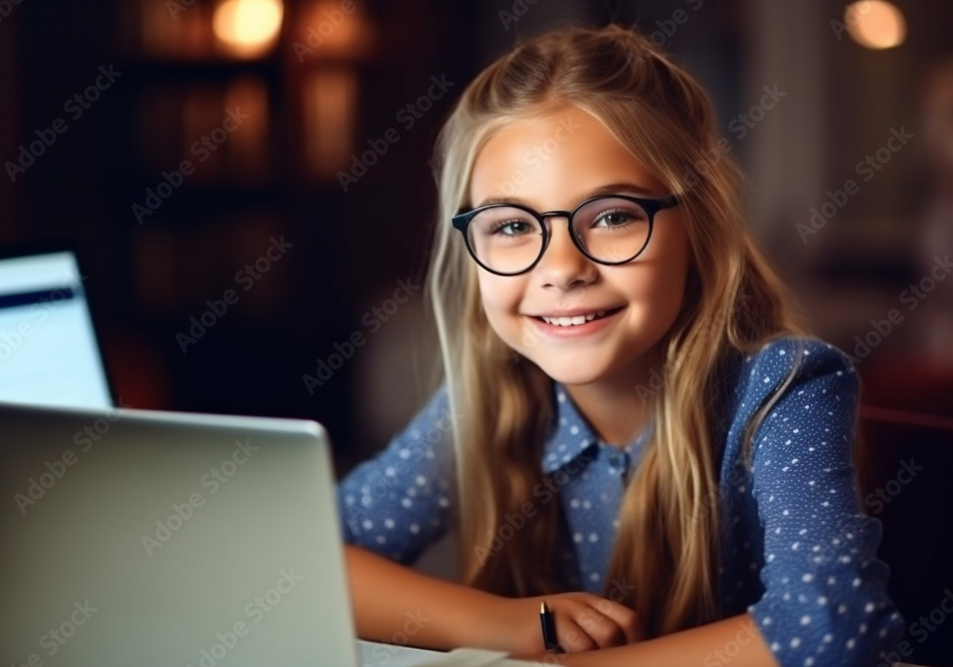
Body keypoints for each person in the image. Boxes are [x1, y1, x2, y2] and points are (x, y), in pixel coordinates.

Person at [336, 23, 904, 666]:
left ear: (698, 224)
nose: (561, 267)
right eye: (513, 226)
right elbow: (301, 554)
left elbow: (834, 628)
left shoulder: (784, 389)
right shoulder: (492, 396)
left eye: (611, 216)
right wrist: (506, 625)